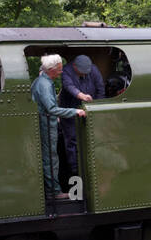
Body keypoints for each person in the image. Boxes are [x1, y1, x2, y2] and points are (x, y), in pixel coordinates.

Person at [32, 54, 85, 201]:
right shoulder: (44, 84)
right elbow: (51, 109)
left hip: (46, 123)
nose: (61, 72)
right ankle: (54, 192)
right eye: (59, 70)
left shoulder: (41, 81)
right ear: (51, 70)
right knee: (51, 159)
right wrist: (75, 111)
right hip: (47, 126)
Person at [59, 54, 105, 178]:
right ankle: (75, 170)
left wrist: (98, 109)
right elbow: (69, 87)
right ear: (74, 66)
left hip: (91, 112)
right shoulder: (66, 71)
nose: (84, 75)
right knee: (72, 140)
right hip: (70, 111)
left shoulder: (94, 70)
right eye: (81, 73)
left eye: (86, 73)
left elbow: (100, 90)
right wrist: (82, 96)